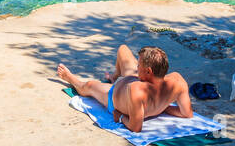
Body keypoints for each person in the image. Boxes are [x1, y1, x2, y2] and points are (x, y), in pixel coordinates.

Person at [57, 45, 191, 133]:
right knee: (123, 49)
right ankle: (115, 77)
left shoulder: (137, 90)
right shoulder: (178, 80)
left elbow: (136, 127)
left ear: (149, 71)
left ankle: (70, 79)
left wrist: (120, 116)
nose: (137, 67)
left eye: (139, 65)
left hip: (112, 96)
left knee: (89, 86)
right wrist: (164, 107)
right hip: (131, 81)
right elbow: (187, 113)